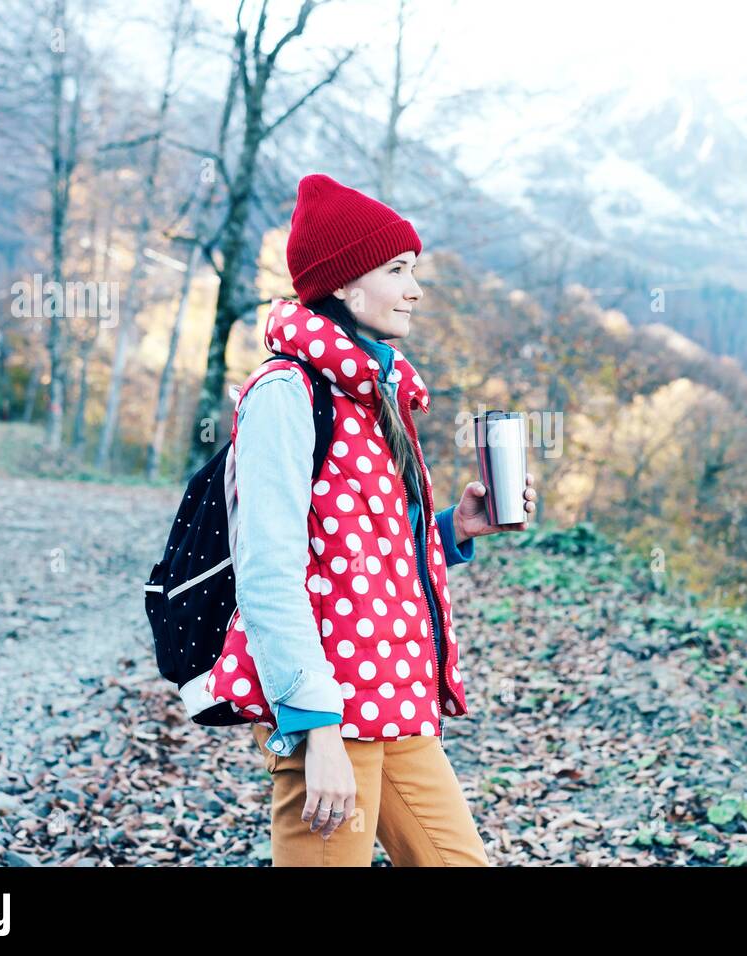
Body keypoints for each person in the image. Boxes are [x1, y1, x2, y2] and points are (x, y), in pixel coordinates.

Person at [229, 173, 537, 866]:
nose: (414, 289)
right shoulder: (287, 393)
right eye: (397, 270)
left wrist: (456, 529)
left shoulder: (375, 395)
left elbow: (365, 553)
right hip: (327, 707)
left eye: (414, 271)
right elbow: (269, 573)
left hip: (394, 698)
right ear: (342, 284)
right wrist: (316, 732)